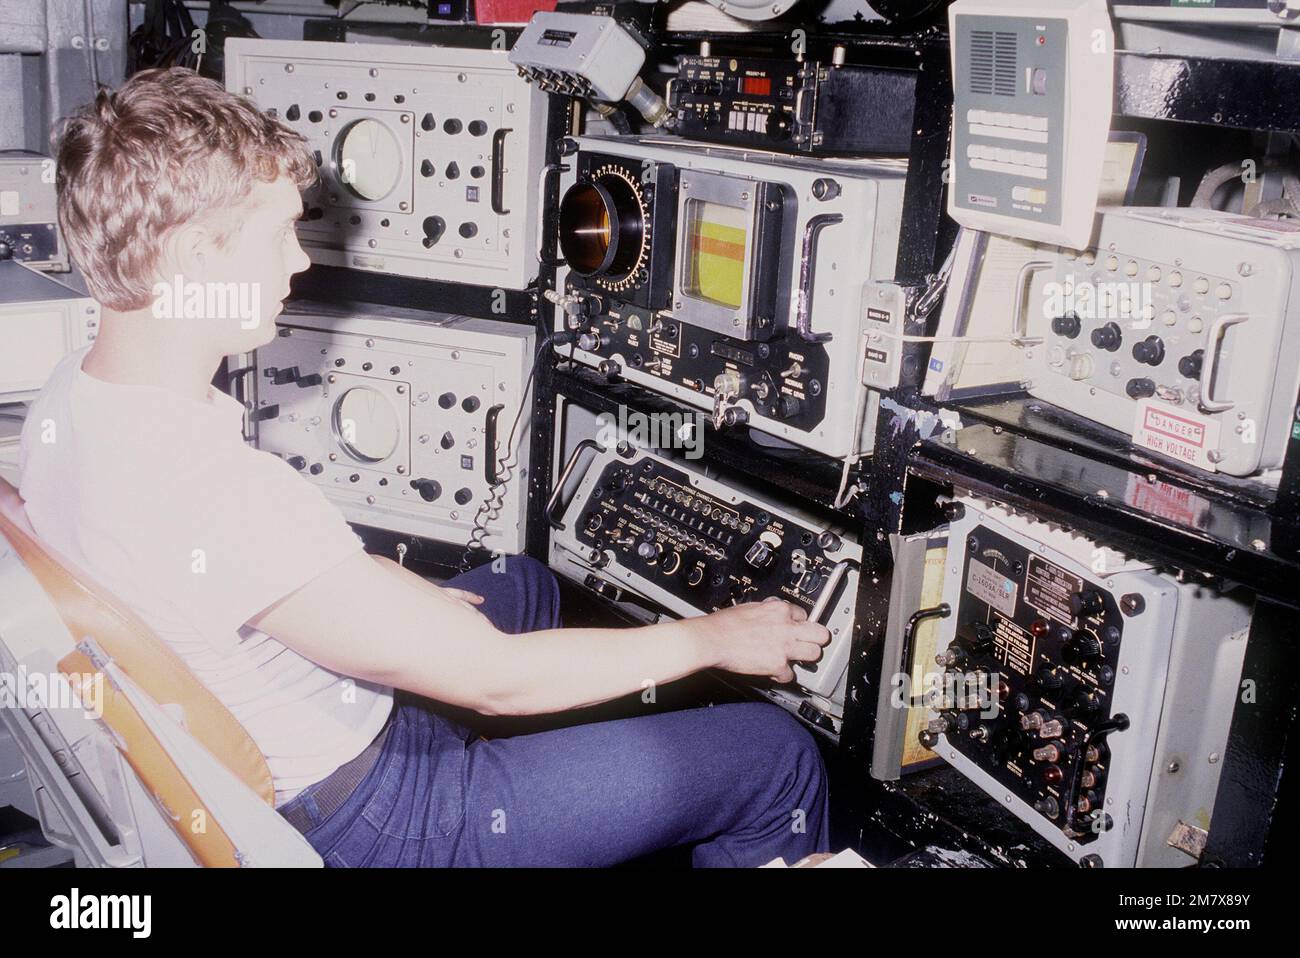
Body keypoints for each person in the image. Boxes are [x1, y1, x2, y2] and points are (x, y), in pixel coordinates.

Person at [18, 67, 831, 867]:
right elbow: (497, 682)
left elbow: (271, 581)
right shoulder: (215, 495)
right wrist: (716, 637)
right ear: (195, 257)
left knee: (526, 584)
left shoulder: (72, 399)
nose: (297, 263)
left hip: (295, 718)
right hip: (368, 820)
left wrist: (395, 599)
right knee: (771, 756)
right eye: (278, 233)